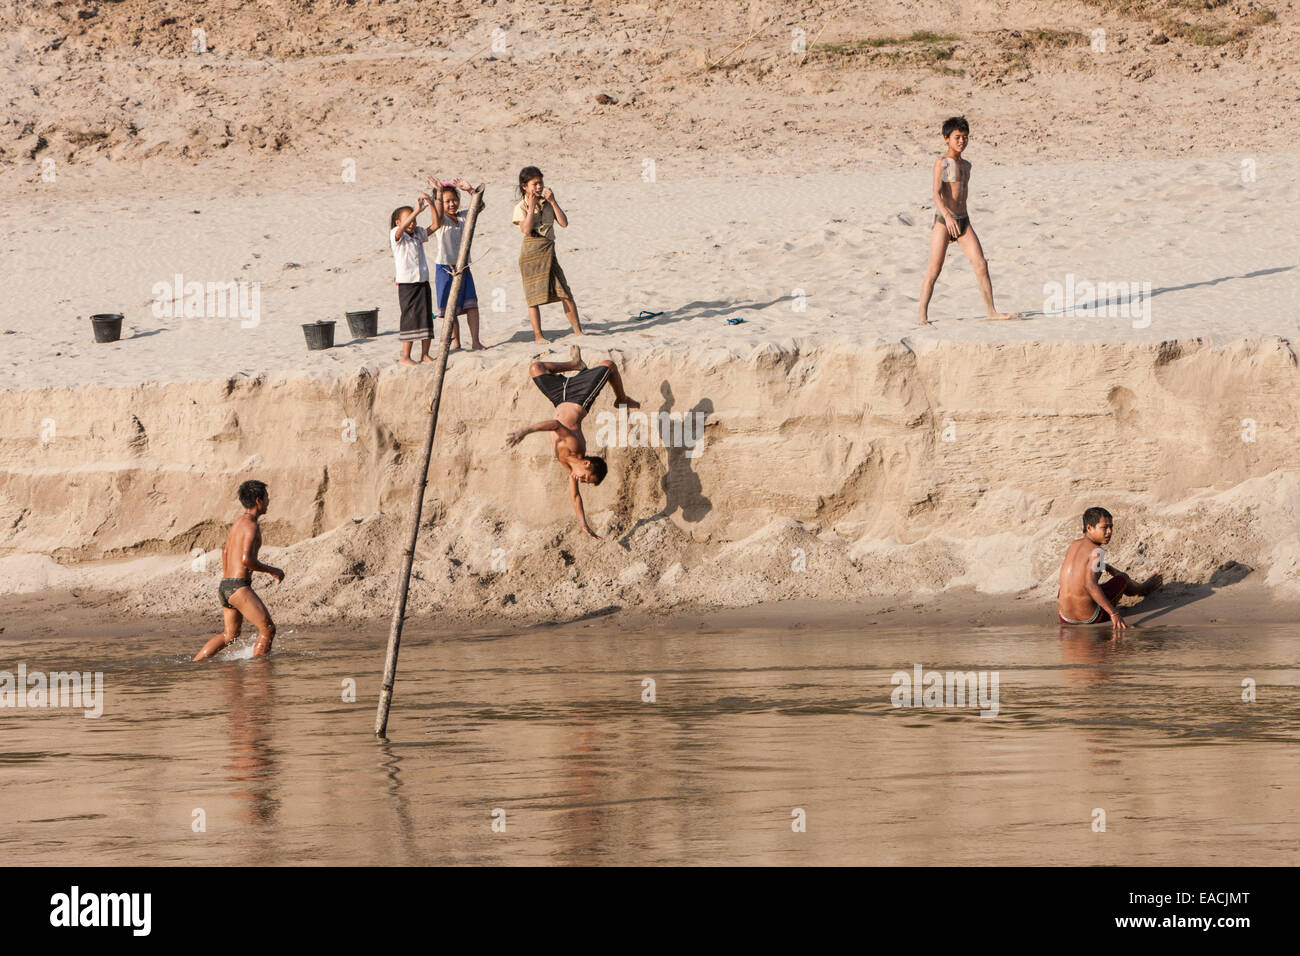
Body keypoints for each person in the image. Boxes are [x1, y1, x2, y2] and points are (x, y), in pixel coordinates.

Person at [506, 348, 638, 539]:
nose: (582, 481)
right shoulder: (576, 447)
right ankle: (621, 399)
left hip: (559, 397)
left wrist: (583, 524)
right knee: (609, 366)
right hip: (579, 397)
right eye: (586, 478)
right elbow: (555, 425)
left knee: (535, 367)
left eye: (584, 481)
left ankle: (575, 365)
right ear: (586, 464)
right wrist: (525, 431)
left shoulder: (570, 468)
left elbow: (575, 497)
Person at [917, 116, 1013, 326]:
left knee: (981, 264)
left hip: (963, 221)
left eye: (965, 137)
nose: (962, 141)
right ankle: (921, 315)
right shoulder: (942, 163)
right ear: (946, 139)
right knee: (934, 268)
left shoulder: (967, 165)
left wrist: (958, 220)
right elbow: (935, 194)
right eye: (957, 137)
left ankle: (991, 311)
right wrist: (948, 218)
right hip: (944, 221)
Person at [193, 480, 284, 660]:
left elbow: (226, 551)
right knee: (267, 629)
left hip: (226, 586)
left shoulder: (238, 523)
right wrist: (273, 570)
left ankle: (195, 665)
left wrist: (229, 579)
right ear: (258, 501)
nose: (269, 501)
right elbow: (247, 560)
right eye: (266, 497)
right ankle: (260, 673)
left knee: (230, 636)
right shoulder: (251, 526)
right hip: (238, 586)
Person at [1056, 506, 1162, 630]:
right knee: (1122, 578)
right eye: (1104, 528)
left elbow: (1078, 576)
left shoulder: (1073, 545)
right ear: (1089, 528)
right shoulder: (1098, 551)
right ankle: (1142, 589)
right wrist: (1114, 613)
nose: (1109, 532)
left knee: (1071, 586)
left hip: (1065, 617)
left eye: (1111, 527)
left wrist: (1107, 567)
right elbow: (1090, 585)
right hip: (1091, 617)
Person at [512, 166, 584, 342]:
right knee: (533, 296)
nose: (539, 186)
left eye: (540, 182)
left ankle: (578, 331)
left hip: (549, 251)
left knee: (564, 292)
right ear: (524, 186)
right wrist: (531, 208)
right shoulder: (520, 207)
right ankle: (538, 335)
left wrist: (553, 202)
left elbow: (564, 223)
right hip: (531, 253)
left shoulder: (548, 202)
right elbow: (527, 230)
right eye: (534, 183)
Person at [428, 175, 485, 351]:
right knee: (449, 310)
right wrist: (438, 193)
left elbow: (479, 206)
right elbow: (437, 214)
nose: (452, 204)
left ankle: (475, 341)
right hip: (445, 268)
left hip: (463, 267)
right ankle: (456, 342)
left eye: (454, 200)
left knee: (472, 306)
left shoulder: (462, 217)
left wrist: (470, 190)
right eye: (447, 202)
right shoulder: (441, 220)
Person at [390, 189, 438, 364]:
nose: (413, 222)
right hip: (407, 284)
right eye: (408, 219)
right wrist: (417, 210)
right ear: (398, 222)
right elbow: (400, 231)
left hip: (422, 281)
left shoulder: (417, 233)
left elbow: (435, 225)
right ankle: (405, 356)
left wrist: (431, 204)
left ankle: (425, 355)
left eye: (415, 219)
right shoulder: (396, 235)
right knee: (409, 317)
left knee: (426, 316)